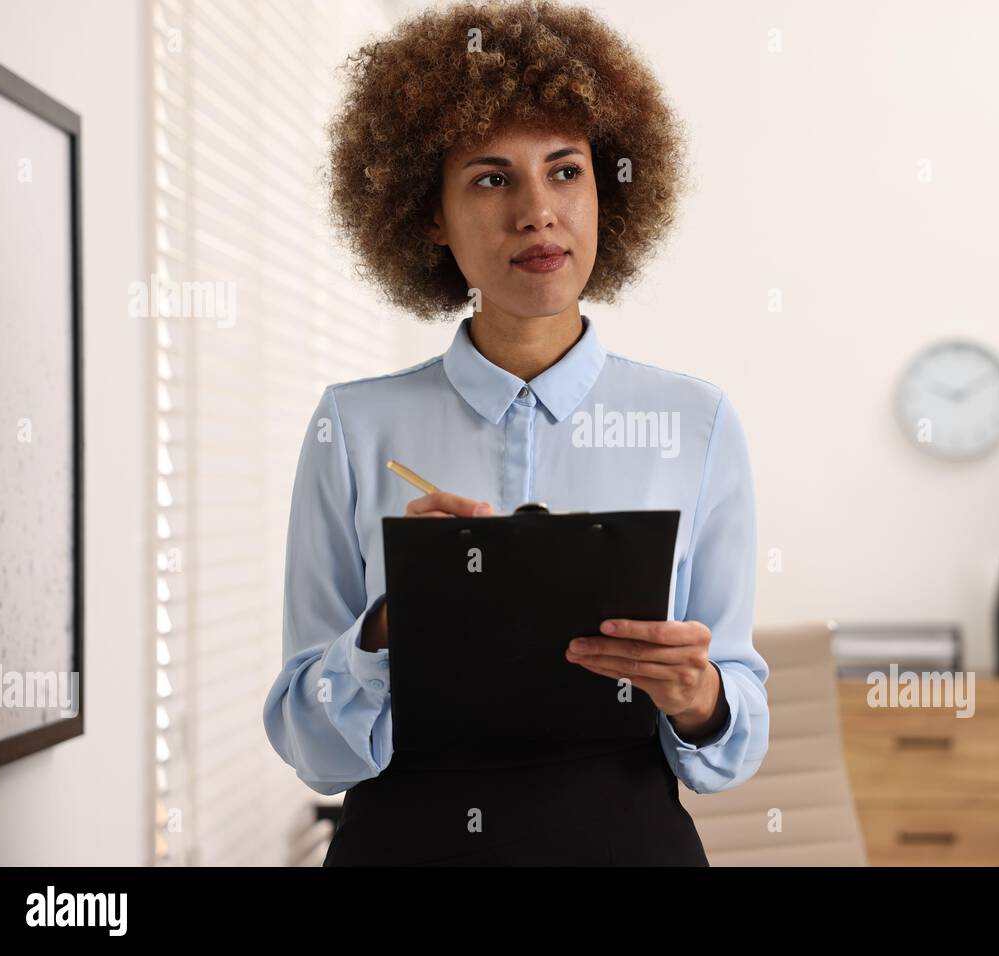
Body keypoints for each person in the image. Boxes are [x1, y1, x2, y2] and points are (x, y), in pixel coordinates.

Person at [262, 0, 769, 865]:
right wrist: (386, 630)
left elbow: (732, 739)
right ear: (429, 212)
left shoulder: (699, 424)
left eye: (565, 171)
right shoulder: (352, 427)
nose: (539, 211)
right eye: (493, 178)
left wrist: (702, 694)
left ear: (604, 188)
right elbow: (310, 747)